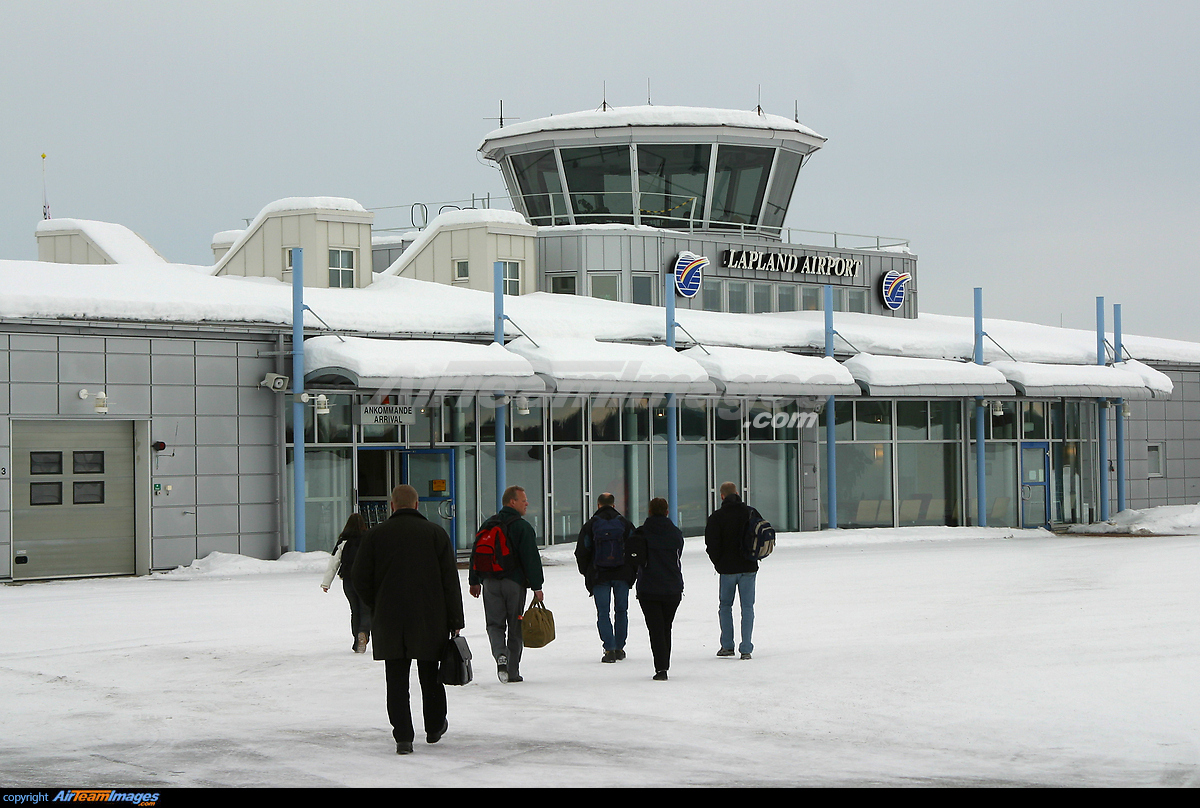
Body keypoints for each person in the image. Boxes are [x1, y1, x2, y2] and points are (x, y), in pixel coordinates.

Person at [352, 484, 464, 755]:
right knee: (430, 675)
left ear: (392, 505)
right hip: (430, 616)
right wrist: (455, 619)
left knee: (396, 680)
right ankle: (435, 726)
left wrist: (376, 602)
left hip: (390, 618)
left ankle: (403, 736)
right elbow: (450, 581)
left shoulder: (375, 536)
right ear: (416, 506)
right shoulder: (436, 534)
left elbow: (359, 578)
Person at [468, 485, 544, 683]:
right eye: (523, 500)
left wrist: (474, 581)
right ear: (512, 502)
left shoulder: (488, 524)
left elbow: (475, 553)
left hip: (490, 583)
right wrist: (537, 586)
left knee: (494, 624)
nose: (527, 503)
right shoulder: (522, 527)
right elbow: (531, 559)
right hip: (514, 584)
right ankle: (512, 670)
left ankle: (500, 655)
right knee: (515, 625)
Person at [575, 492, 638, 662]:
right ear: (614, 505)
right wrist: (632, 570)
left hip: (599, 575)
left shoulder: (590, 525)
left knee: (603, 612)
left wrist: (588, 572)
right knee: (621, 611)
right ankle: (619, 647)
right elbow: (635, 548)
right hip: (622, 574)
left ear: (598, 506)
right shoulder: (625, 524)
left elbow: (581, 552)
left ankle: (609, 649)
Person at [628, 497, 684, 681]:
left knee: (655, 628)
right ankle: (663, 664)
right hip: (672, 588)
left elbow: (634, 558)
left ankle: (661, 668)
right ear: (667, 512)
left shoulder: (642, 533)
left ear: (649, 511)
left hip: (648, 588)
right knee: (666, 626)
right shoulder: (675, 533)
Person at [705, 481, 758, 660]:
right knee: (747, 607)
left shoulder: (717, 517)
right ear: (737, 493)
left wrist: (718, 563)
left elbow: (711, 544)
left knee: (725, 606)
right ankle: (746, 648)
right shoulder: (750, 512)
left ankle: (727, 645)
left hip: (727, 569)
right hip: (749, 567)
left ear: (722, 496)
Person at [322, 512, 371, 653]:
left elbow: (334, 562)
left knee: (355, 610)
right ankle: (364, 633)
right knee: (366, 609)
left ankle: (357, 641)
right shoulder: (368, 539)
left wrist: (326, 583)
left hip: (349, 581)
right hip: (366, 581)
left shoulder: (343, 541)